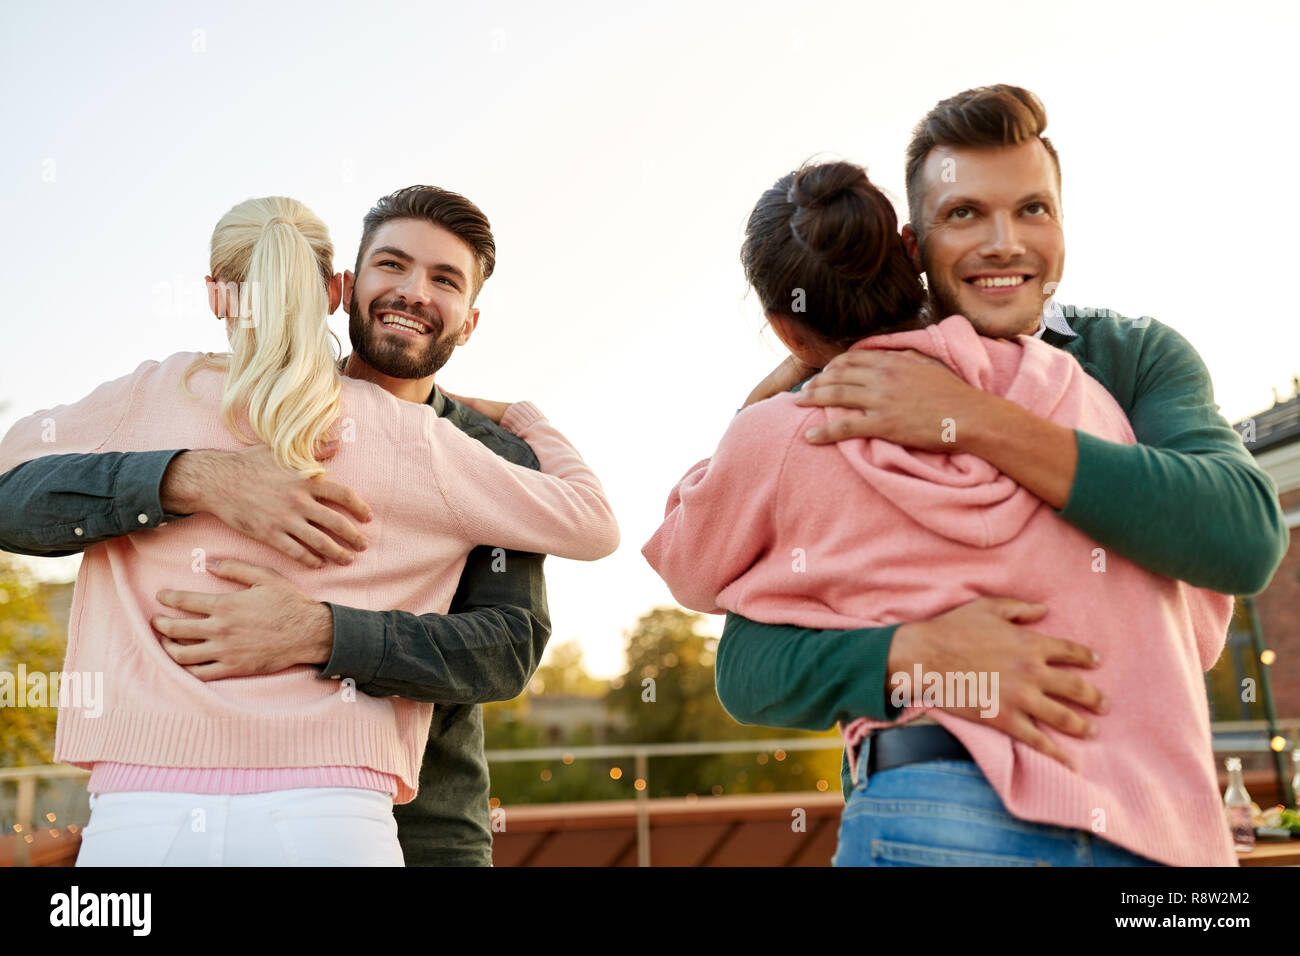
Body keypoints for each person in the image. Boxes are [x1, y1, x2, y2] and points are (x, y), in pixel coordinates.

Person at [706, 86, 1286, 863]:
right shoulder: (851, 390)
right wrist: (916, 654)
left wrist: (977, 420)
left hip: (1155, 836)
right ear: (915, 245)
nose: (1005, 242)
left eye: (1033, 210)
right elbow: (747, 667)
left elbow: (1243, 537)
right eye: (965, 214)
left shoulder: (1131, 356)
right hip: (944, 830)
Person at [0, 195, 619, 866]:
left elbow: (506, 649)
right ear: (340, 290)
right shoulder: (420, 444)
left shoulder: (154, 394)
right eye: (394, 265)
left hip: (168, 809)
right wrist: (187, 476)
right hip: (340, 809)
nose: (413, 292)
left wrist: (321, 630)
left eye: (443, 279)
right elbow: (593, 523)